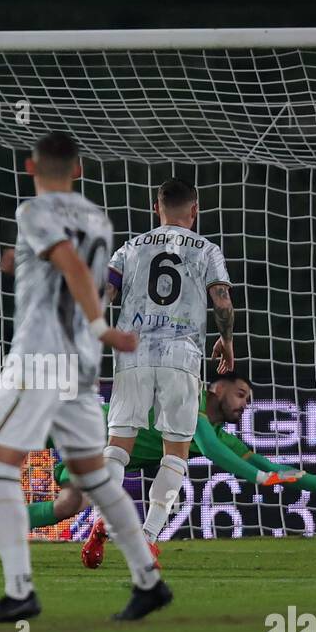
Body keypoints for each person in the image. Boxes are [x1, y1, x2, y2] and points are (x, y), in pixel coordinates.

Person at [0, 130, 169, 623]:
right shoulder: (99, 218)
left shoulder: (34, 211)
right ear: (78, 169)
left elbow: (72, 266)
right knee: (94, 477)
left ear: (31, 167)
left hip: (39, 357)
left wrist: (103, 327)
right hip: (78, 366)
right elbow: (87, 278)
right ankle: (148, 580)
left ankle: (20, 591)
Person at [0, 371, 316, 558]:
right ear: (219, 389)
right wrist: (260, 476)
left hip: (103, 460)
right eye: (242, 394)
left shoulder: (215, 433)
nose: (245, 405)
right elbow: (232, 459)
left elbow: (266, 461)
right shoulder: (193, 404)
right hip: (93, 427)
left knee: (66, 506)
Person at [100, 177, 234, 552]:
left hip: (133, 353)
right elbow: (222, 302)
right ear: (195, 210)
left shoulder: (130, 248)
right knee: (175, 452)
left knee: (118, 447)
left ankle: (103, 519)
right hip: (182, 355)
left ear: (155, 209)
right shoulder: (207, 250)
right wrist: (226, 340)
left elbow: (103, 295)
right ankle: (148, 534)